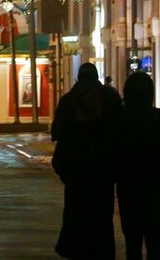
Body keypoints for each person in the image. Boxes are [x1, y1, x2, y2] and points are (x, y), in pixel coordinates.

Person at [52, 62, 123, 260]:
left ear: (78, 77)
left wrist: (66, 170)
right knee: (102, 221)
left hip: (76, 175)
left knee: (76, 220)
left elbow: (58, 133)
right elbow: (120, 132)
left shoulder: (69, 100)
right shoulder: (110, 98)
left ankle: (77, 252)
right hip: (102, 175)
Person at [114, 72, 160, 260]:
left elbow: (110, 151)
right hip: (154, 187)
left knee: (132, 241)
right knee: (154, 240)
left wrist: (119, 173)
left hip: (127, 188)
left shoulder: (119, 119)